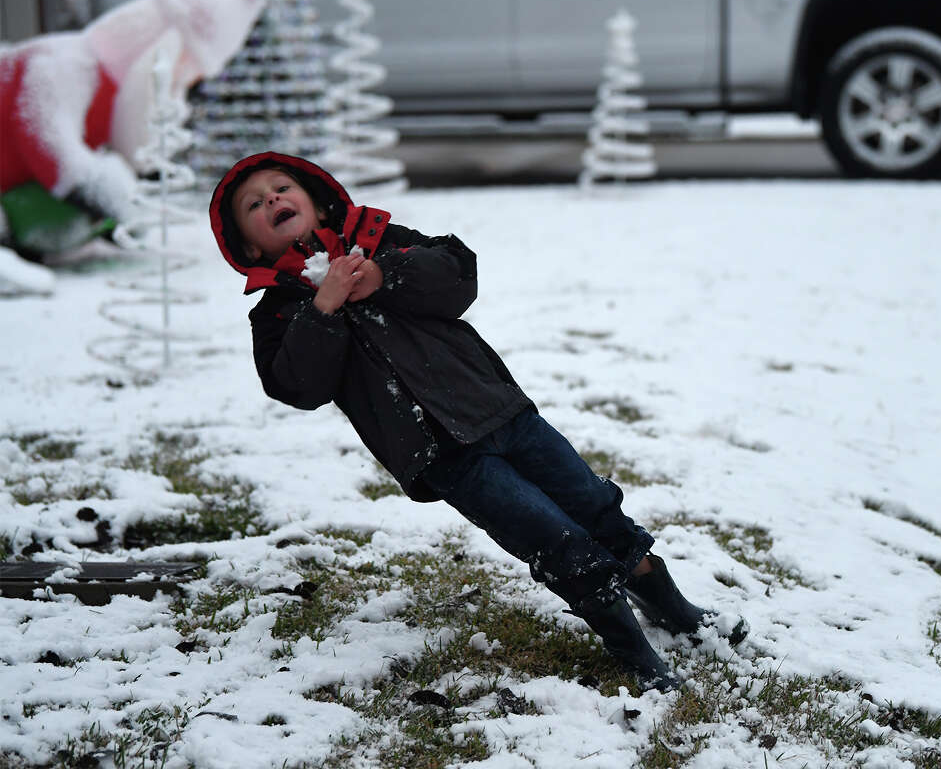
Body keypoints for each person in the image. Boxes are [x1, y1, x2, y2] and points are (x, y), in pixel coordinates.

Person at [210, 152, 741, 692]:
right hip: (442, 454)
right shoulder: (278, 312)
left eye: (281, 188)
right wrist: (321, 311)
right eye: (255, 203)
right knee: (549, 534)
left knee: (592, 503)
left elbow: (457, 273)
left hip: (500, 409)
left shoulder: (378, 242)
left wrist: (383, 275)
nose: (273, 199)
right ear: (250, 247)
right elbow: (297, 386)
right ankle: (629, 645)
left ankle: (672, 608)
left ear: (319, 200)